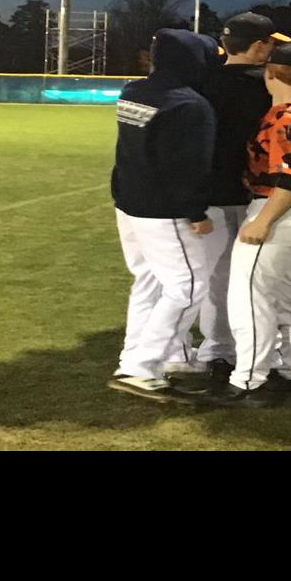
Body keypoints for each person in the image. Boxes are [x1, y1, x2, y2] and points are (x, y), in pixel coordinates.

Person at [170, 12, 291, 393]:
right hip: (259, 196)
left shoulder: (200, 82)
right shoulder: (269, 86)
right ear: (258, 46)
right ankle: (259, 354)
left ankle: (215, 351)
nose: (272, 48)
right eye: (269, 42)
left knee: (213, 281)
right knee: (261, 281)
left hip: (208, 195)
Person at [211, 42, 291, 407]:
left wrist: (263, 221)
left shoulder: (286, 117)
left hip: (282, 212)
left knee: (250, 295)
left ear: (269, 73)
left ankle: (249, 380)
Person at [107, 29, 219, 401]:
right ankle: (142, 367)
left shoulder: (134, 90)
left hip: (129, 202)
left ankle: (141, 358)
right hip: (164, 210)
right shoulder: (190, 105)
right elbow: (189, 167)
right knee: (188, 288)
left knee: (149, 283)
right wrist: (195, 211)